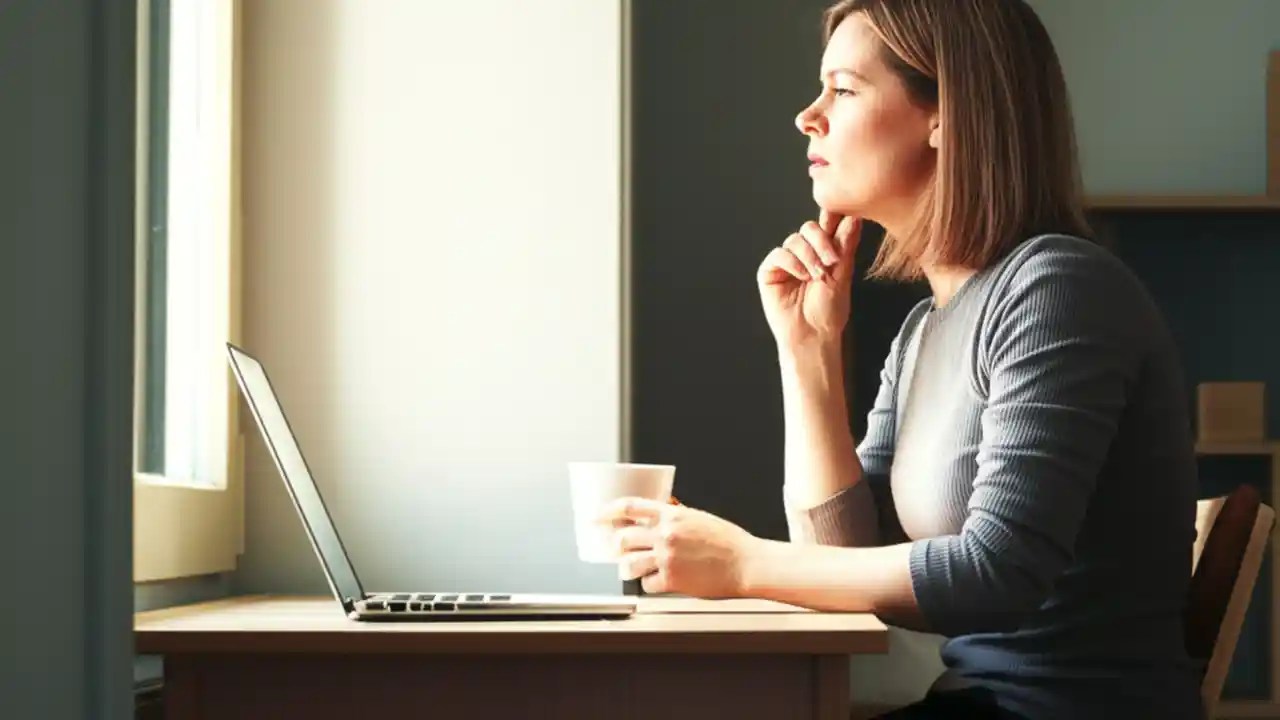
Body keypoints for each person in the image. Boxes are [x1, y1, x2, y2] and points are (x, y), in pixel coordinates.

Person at [599, 0, 1204, 718]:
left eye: (844, 88)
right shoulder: (925, 327)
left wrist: (742, 564)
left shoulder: (1057, 288)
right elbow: (848, 557)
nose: (808, 115)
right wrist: (808, 352)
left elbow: (997, 572)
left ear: (946, 113)